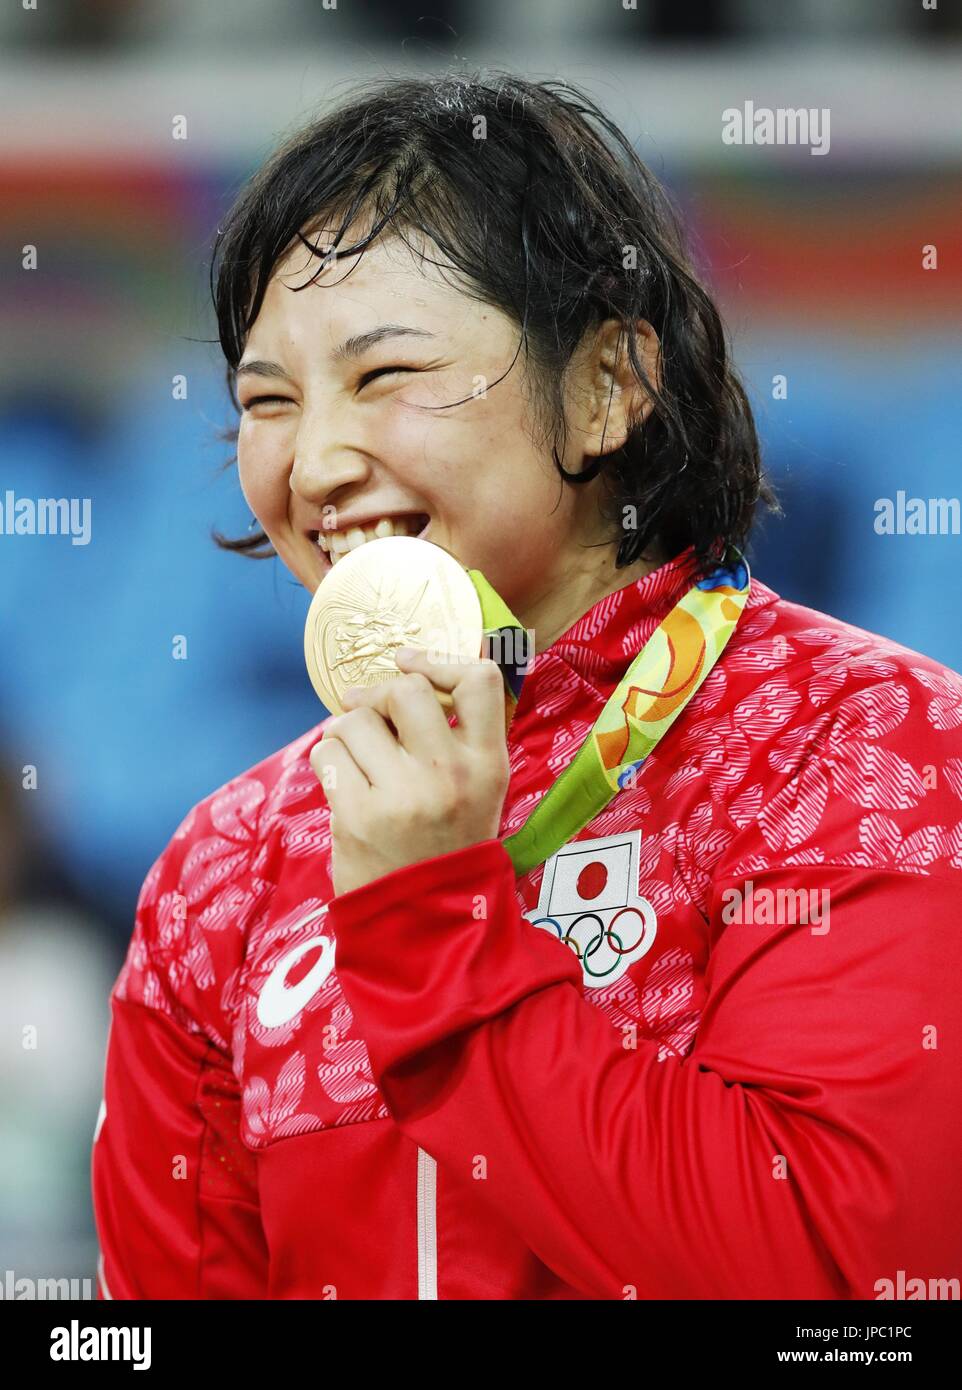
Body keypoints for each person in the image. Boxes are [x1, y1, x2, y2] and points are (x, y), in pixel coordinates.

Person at [91, 71, 962, 1300]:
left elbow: (839, 1286)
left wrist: (429, 921)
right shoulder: (224, 871)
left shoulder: (862, 750)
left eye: (384, 374)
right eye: (267, 400)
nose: (316, 461)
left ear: (609, 380)